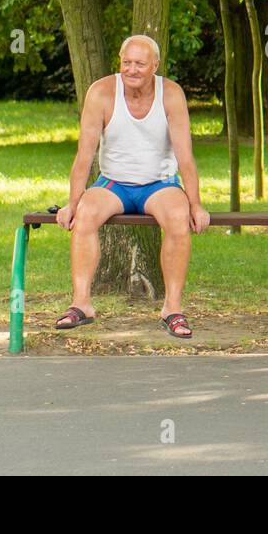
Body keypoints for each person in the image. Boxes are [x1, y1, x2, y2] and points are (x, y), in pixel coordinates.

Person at [52, 35, 210, 338]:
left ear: (155, 65)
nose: (132, 69)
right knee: (84, 214)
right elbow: (84, 155)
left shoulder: (171, 94)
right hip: (113, 184)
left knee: (178, 218)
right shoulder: (100, 92)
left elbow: (185, 156)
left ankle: (172, 309)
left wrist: (196, 203)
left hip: (160, 185)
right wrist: (72, 203)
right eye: (126, 62)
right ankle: (81, 304)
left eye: (139, 63)